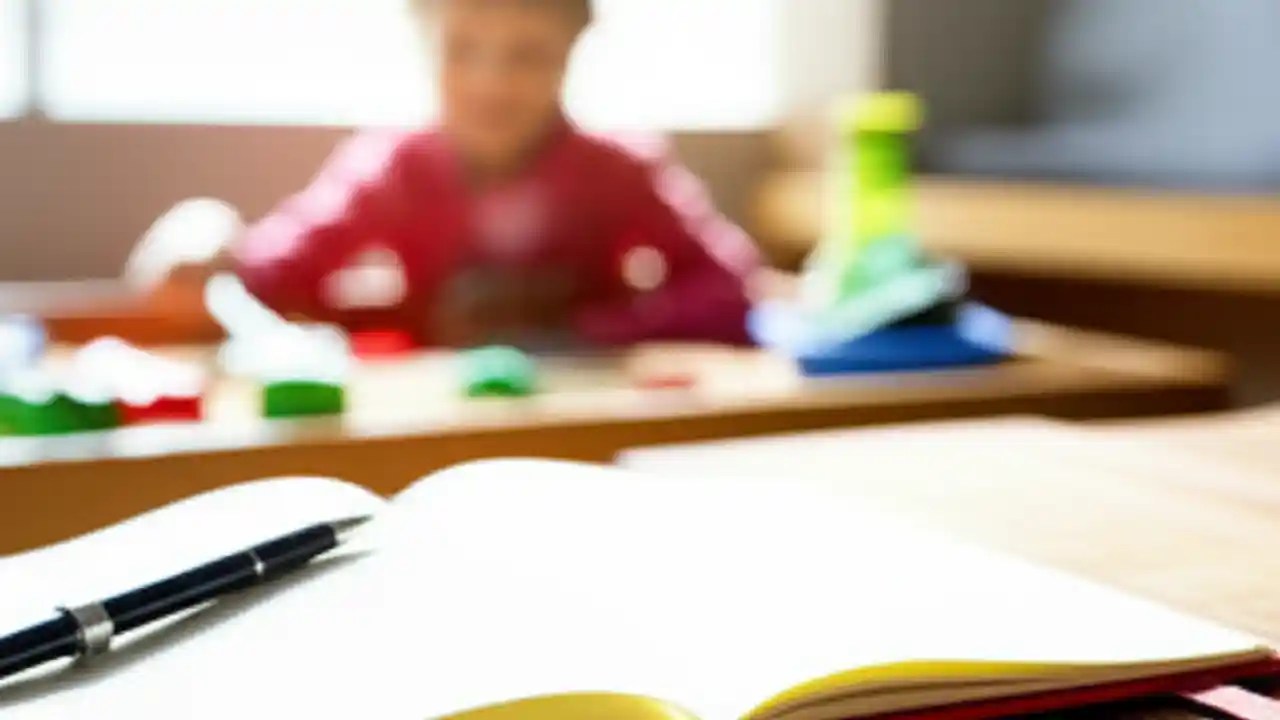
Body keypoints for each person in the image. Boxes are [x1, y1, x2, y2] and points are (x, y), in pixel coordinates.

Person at [133, 0, 763, 348]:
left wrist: (587, 333)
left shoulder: (619, 170)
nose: (492, 82)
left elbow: (731, 288)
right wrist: (206, 248)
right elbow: (268, 276)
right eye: (463, 49)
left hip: (578, 424)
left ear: (571, 52)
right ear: (424, 43)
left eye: (527, 54)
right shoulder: (394, 170)